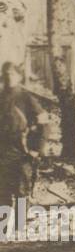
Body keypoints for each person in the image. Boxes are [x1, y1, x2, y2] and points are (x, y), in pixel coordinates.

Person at [0, 62, 47, 200]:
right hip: (3, 150)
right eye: (6, 74)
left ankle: (20, 222)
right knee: (3, 192)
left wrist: (36, 149)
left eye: (12, 74)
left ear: (19, 76)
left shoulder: (27, 98)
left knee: (21, 191)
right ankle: (3, 221)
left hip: (22, 150)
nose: (9, 77)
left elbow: (43, 125)